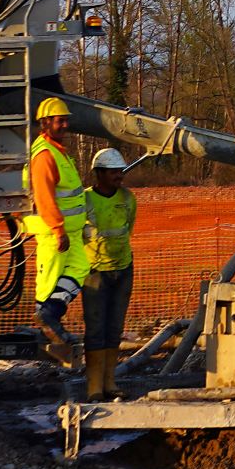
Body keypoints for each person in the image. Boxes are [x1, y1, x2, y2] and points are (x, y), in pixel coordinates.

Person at [24, 99, 92, 371]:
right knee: (48, 281)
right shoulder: (44, 155)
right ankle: (48, 323)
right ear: (45, 123)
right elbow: (44, 197)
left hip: (71, 232)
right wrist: (57, 228)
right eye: (59, 120)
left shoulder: (58, 151)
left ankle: (51, 313)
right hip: (56, 233)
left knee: (81, 267)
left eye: (65, 120)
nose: (64, 125)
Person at [79, 147, 139, 400]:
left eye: (120, 170)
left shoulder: (127, 199)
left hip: (122, 269)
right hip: (95, 272)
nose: (119, 175)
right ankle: (94, 387)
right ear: (99, 173)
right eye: (113, 171)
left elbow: (128, 229)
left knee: (114, 328)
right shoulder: (85, 200)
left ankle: (109, 383)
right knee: (95, 329)